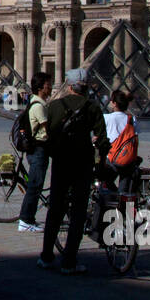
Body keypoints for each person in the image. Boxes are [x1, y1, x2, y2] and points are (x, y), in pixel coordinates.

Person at [39, 68, 108, 275]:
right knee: (78, 212)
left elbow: (46, 135)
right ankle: (69, 260)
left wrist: (54, 152)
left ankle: (46, 256)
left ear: (69, 87)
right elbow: (103, 140)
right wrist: (100, 160)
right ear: (86, 87)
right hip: (83, 164)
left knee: (55, 209)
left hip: (61, 162)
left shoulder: (54, 106)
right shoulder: (93, 107)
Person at [16, 72, 52, 233]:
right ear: (40, 87)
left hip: (35, 150)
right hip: (38, 149)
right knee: (34, 186)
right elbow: (48, 129)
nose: (50, 87)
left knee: (34, 185)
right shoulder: (38, 106)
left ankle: (28, 218)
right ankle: (25, 219)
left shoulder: (34, 102)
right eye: (47, 84)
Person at [102, 89, 140, 192]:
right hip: (128, 158)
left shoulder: (106, 118)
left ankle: (115, 198)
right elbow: (136, 136)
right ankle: (125, 206)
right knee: (126, 189)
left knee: (104, 180)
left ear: (114, 103)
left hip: (112, 157)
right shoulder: (132, 119)